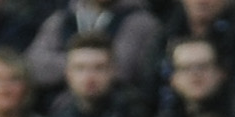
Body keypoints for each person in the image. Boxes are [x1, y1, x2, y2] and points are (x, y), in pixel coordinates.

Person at [26, 0, 162, 97]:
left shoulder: (141, 22)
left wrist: (77, 67)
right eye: (80, 68)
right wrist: (90, 65)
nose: (89, 73)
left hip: (120, 111)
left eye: (98, 66)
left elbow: (122, 68)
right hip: (61, 111)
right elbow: (33, 65)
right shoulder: (61, 19)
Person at [46, 31, 147, 117]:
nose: (89, 77)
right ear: (68, 74)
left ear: (113, 71)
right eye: (80, 68)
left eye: (99, 68)